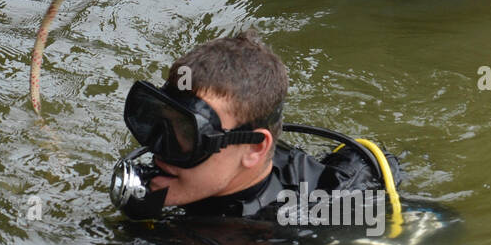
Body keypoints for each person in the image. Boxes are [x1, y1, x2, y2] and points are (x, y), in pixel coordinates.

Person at [110, 29, 402, 232]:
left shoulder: (301, 228)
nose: (160, 148)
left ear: (253, 148)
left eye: (188, 134)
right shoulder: (170, 177)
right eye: (158, 123)